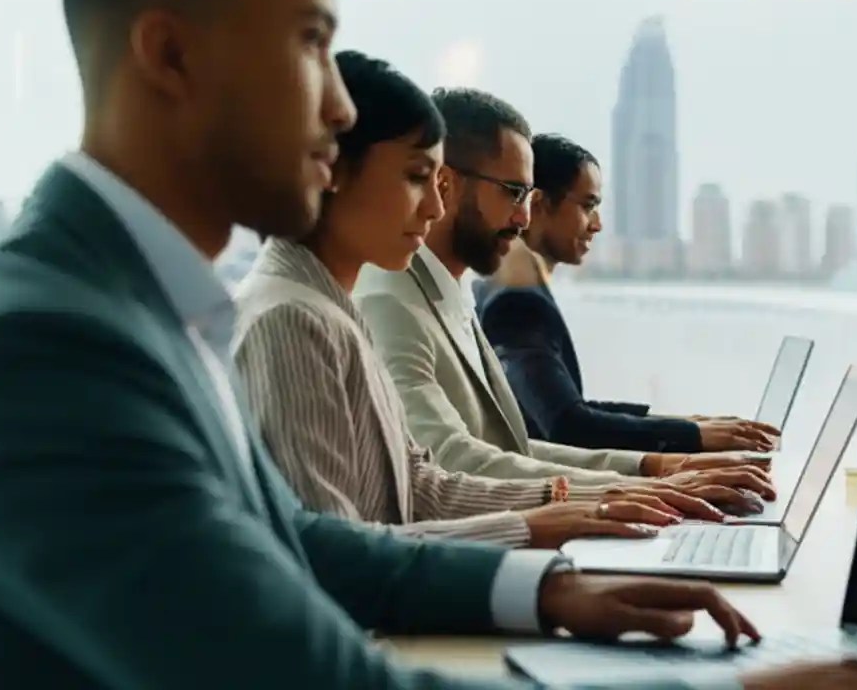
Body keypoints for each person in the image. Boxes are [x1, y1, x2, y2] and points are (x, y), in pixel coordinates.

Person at [0, 0, 857, 689]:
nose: (338, 107)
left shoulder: (136, 303)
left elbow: (299, 540)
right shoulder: (42, 350)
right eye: (312, 44)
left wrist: (551, 591)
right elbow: (299, 677)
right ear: (170, 54)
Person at [232, 50, 724, 549]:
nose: (434, 205)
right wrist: (545, 536)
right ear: (331, 168)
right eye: (417, 177)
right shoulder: (298, 317)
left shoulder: (341, 304)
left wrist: (610, 493)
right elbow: (333, 553)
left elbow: (420, 483)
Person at [353, 87, 778, 514]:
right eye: (513, 193)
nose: (523, 218)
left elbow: (513, 448)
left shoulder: (450, 292)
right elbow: (451, 461)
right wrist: (626, 491)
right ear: (446, 183)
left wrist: (659, 467)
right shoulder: (391, 301)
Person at [477, 133, 774, 454]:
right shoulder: (518, 301)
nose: (597, 224)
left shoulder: (502, 283)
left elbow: (560, 404)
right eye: (588, 206)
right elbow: (566, 423)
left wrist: (686, 424)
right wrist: (690, 436)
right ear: (539, 205)